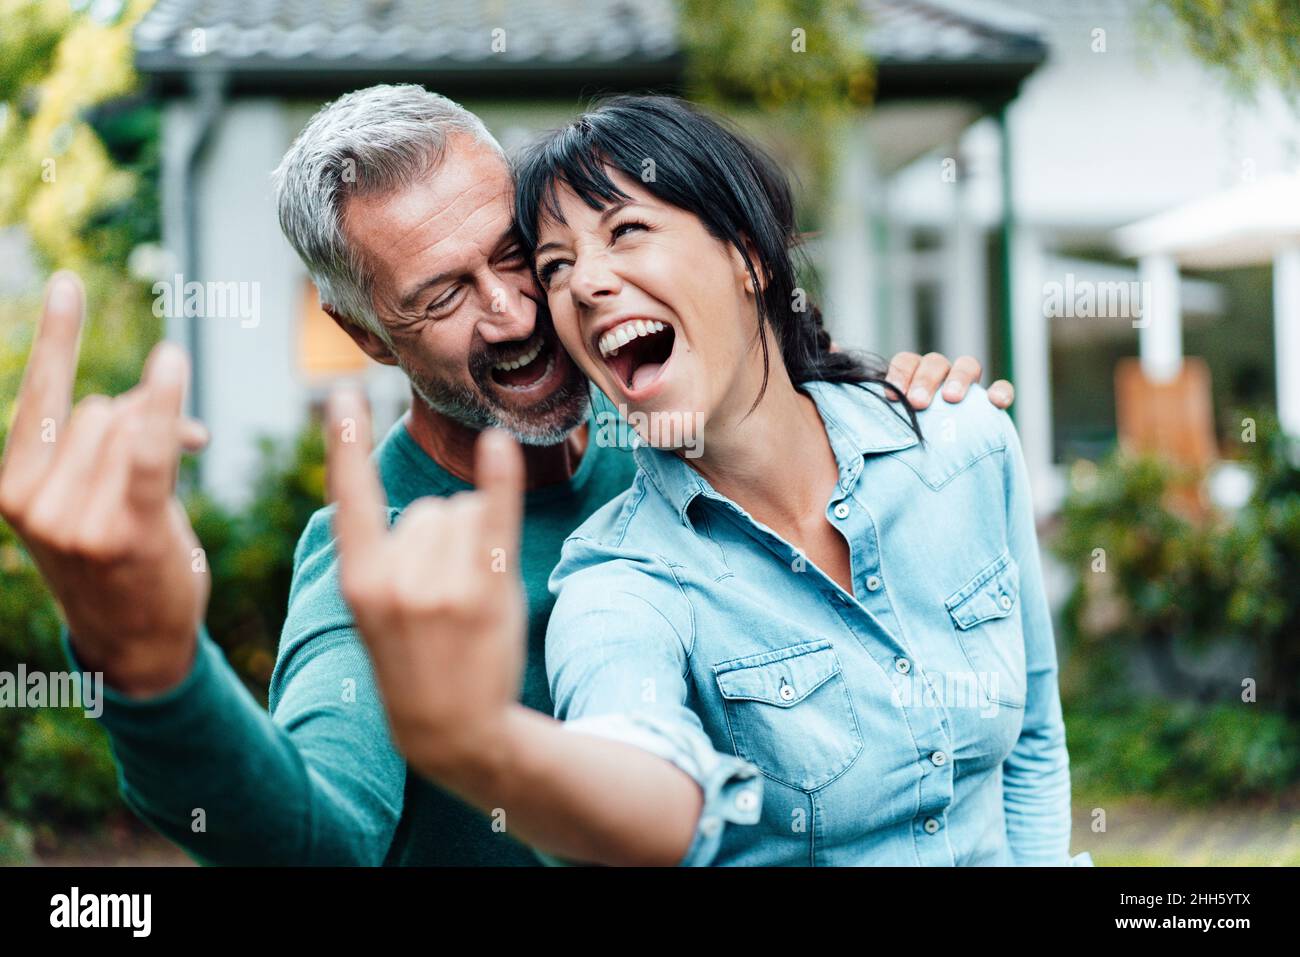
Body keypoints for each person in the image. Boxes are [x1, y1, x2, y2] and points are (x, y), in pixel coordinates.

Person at [0, 84, 1012, 866]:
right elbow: (319, 835)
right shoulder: (384, 554)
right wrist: (147, 668)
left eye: (518, 255)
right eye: (442, 294)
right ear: (366, 337)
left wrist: (895, 402)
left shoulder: (654, 437)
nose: (515, 314)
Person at [343, 94, 1090, 866]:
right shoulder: (621, 581)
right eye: (556, 267)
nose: (586, 284)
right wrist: (480, 743)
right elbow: (648, 790)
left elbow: (1032, 739)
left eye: (626, 230)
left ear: (748, 254)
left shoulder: (962, 442)